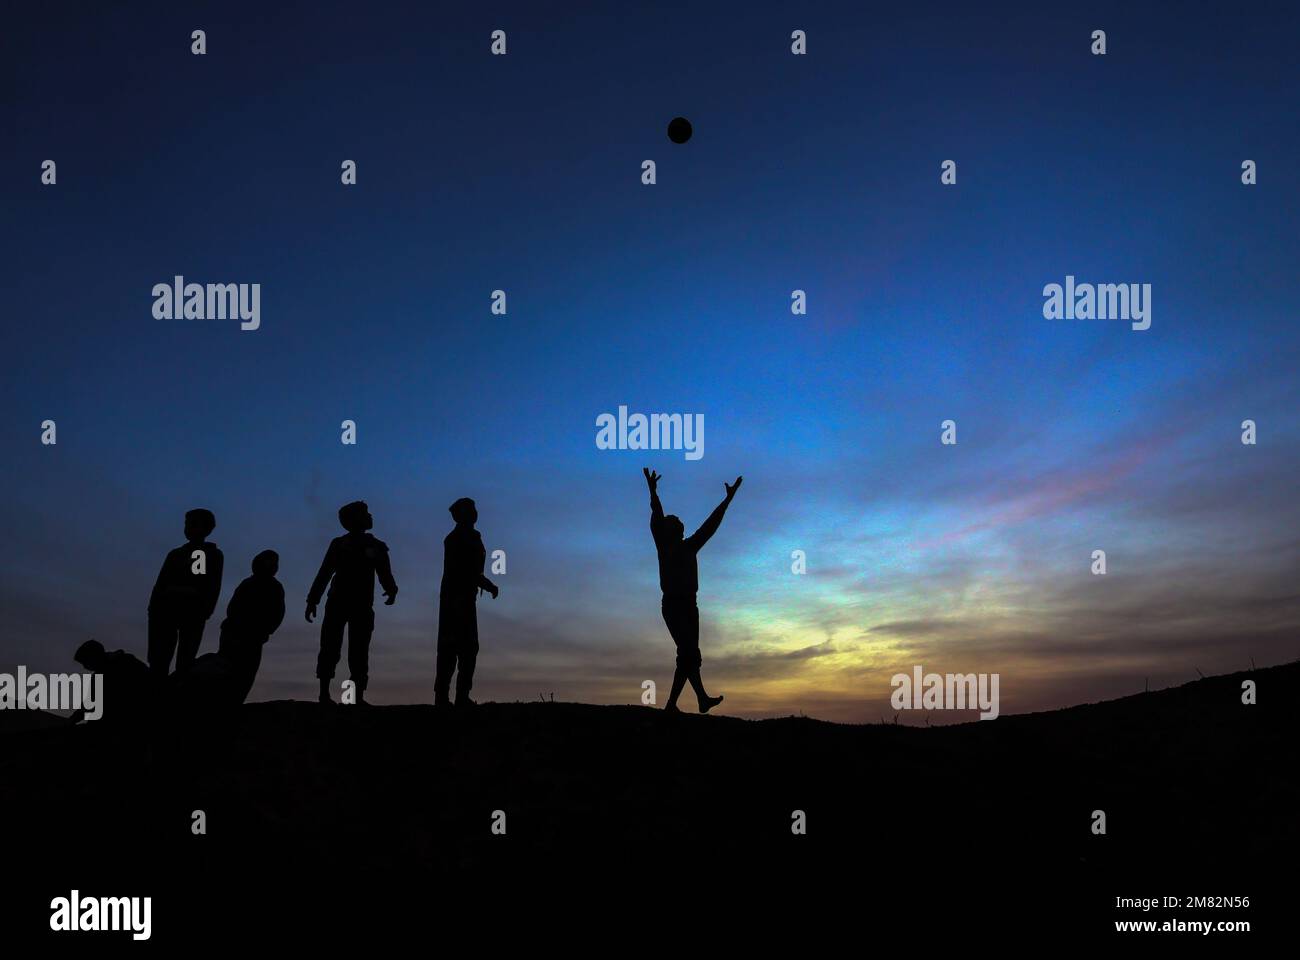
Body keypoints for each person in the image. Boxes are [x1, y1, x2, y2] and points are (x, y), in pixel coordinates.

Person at [643, 468, 741, 713]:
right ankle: (689, 702)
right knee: (688, 653)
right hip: (674, 605)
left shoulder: (689, 546)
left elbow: (711, 523)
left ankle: (686, 702)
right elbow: (657, 513)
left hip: (689, 606)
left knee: (690, 656)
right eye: (671, 522)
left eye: (675, 522)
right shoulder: (664, 547)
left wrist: (727, 500)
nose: (673, 522)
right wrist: (653, 492)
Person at [307, 501, 397, 705]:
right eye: (366, 513)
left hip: (360, 604)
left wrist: (391, 588)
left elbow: (384, 571)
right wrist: (313, 599)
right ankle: (325, 695)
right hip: (340, 602)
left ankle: (352, 698)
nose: (370, 516)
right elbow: (325, 572)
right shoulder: (340, 544)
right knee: (332, 647)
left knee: (357, 652)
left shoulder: (374, 545)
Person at [434, 497, 498, 708]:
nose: (475, 513)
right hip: (455, 599)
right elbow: (464, 570)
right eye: (471, 509)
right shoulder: (456, 539)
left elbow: (472, 570)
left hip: (465, 598)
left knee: (467, 648)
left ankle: (460, 696)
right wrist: (486, 584)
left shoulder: (471, 537)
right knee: (453, 648)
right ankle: (444, 697)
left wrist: (483, 583)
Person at [147, 508, 224, 678]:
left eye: (193, 525)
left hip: (192, 613)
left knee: (185, 660)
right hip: (165, 612)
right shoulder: (175, 555)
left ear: (206, 529)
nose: (188, 529)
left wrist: (203, 609)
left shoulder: (211, 554)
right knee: (159, 659)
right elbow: (160, 585)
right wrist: (154, 609)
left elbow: (210, 585)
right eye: (187, 525)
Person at [217, 550, 285, 703]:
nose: (270, 565)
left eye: (273, 562)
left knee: (246, 673)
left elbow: (277, 613)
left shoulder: (275, 587)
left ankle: (235, 703)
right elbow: (232, 609)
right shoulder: (247, 584)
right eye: (267, 561)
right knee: (226, 669)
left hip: (254, 638)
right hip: (234, 634)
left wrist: (265, 631)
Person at [70, 639, 155, 725]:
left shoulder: (126, 662)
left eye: (85, 662)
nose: (85, 667)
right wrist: (72, 720)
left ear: (93, 657)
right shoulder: (97, 676)